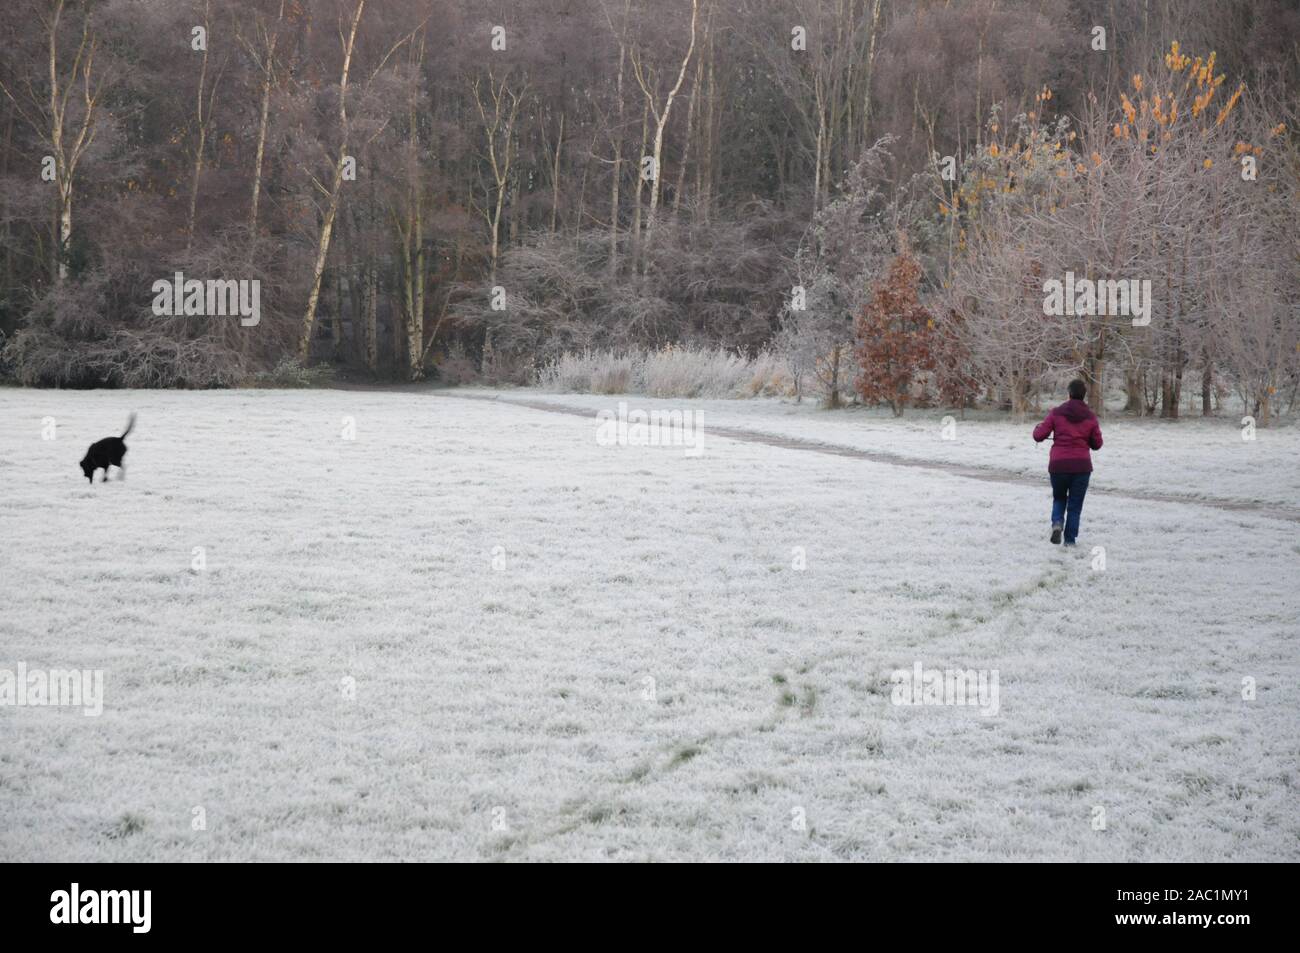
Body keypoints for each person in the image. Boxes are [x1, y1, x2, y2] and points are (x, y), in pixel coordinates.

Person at [1032, 380, 1103, 546]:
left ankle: (1057, 523)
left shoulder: (1056, 413)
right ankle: (1070, 541)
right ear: (1084, 395)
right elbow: (1097, 444)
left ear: (1069, 393)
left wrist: (1037, 428)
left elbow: (1039, 435)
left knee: (1059, 498)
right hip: (1081, 467)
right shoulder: (1090, 416)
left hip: (1059, 465)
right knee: (1075, 505)